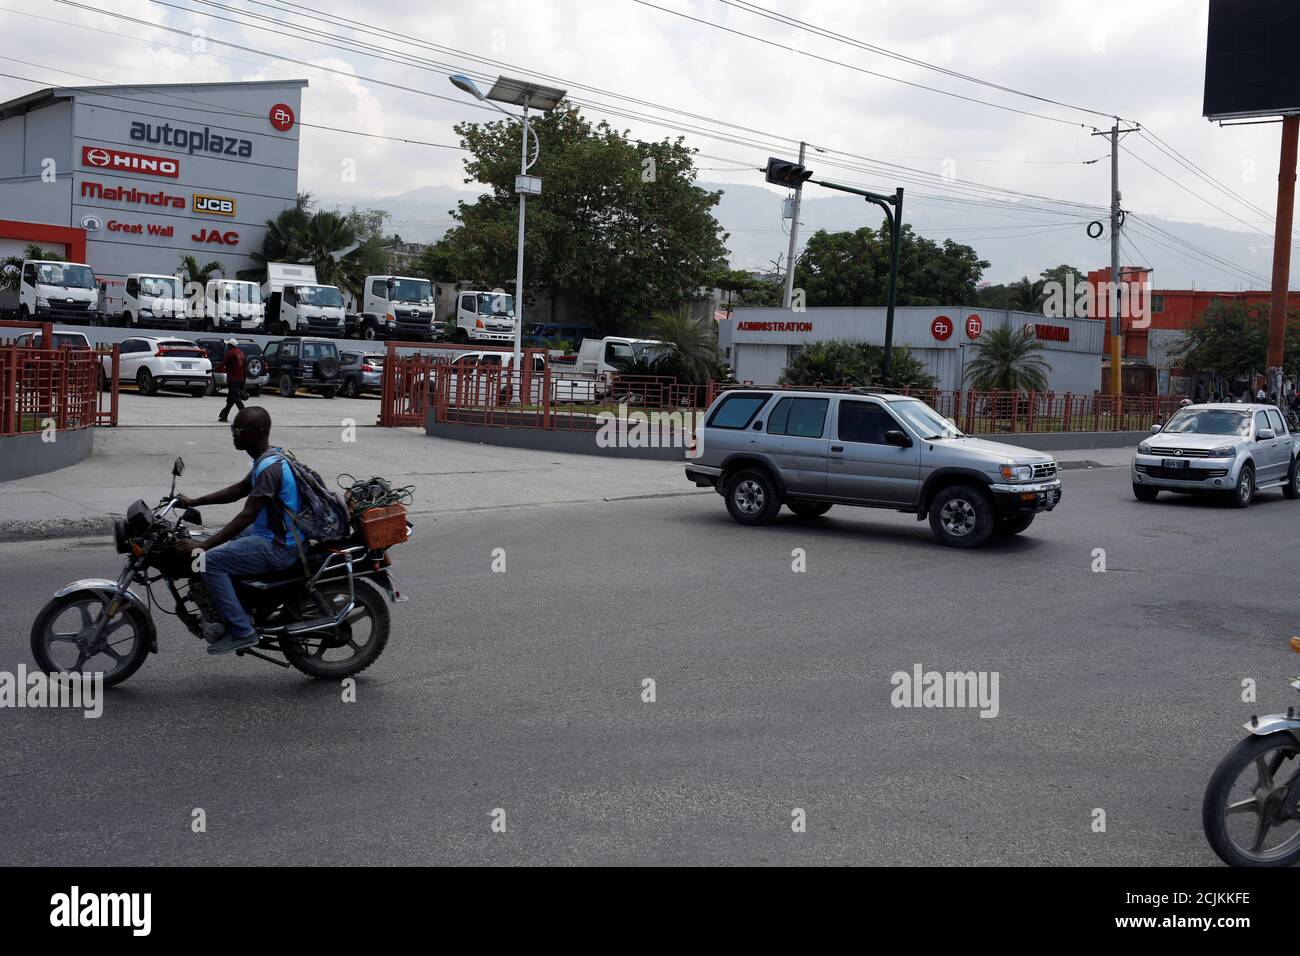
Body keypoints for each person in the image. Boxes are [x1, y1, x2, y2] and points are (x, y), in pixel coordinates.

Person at [175, 407, 300, 655]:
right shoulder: (269, 458)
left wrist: (202, 548)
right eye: (234, 430)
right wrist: (195, 502)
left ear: (260, 432)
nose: (235, 435)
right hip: (272, 533)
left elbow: (246, 515)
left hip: (278, 545)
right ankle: (237, 606)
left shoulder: (269, 468)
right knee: (213, 539)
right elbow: (239, 489)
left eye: (240, 431)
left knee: (209, 561)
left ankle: (242, 631)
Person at [217, 338, 247, 423]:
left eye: (228, 345)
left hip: (233, 380)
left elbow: (223, 364)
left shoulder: (230, 353)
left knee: (236, 399)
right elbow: (245, 369)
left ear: (231, 345)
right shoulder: (242, 354)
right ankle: (224, 415)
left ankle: (245, 415)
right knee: (231, 399)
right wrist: (243, 382)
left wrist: (212, 370)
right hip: (240, 380)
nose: (227, 346)